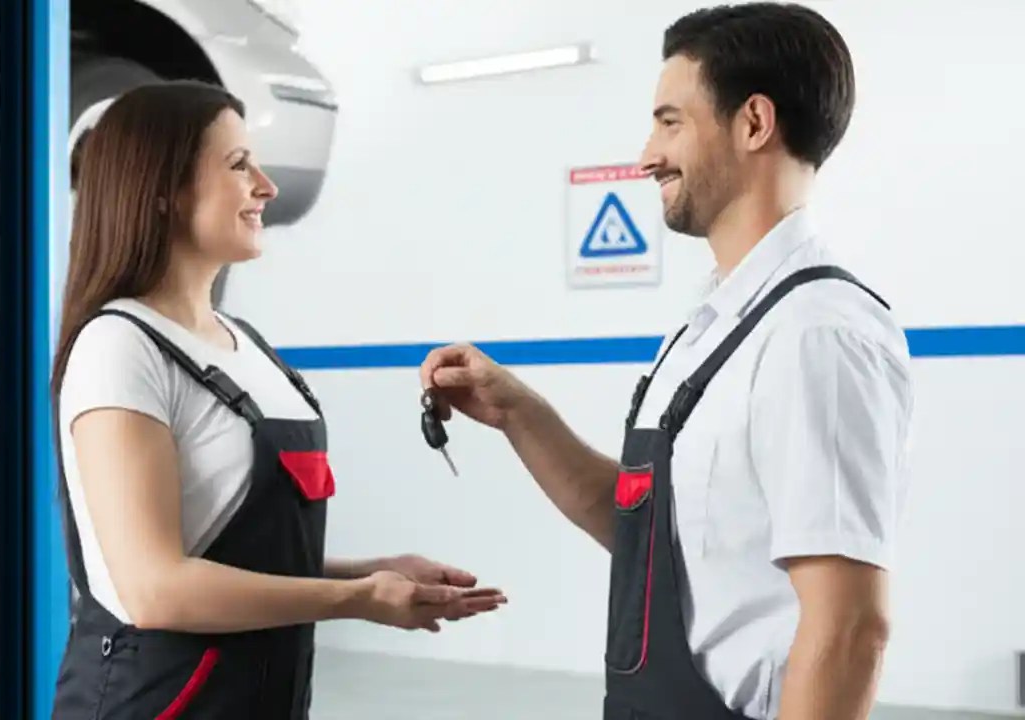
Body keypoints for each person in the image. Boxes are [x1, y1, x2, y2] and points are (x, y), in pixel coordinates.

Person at [420, 4, 912, 720]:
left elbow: (848, 629)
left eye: (670, 121)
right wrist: (514, 411)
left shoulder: (816, 334)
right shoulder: (712, 327)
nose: (648, 153)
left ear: (753, 124)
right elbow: (643, 533)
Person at [49, 80, 506, 720]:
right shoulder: (119, 348)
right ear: (163, 193)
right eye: (239, 165)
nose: (267, 186)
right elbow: (156, 589)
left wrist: (371, 572)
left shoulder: (246, 346)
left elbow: (233, 552)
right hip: (154, 702)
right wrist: (358, 600)